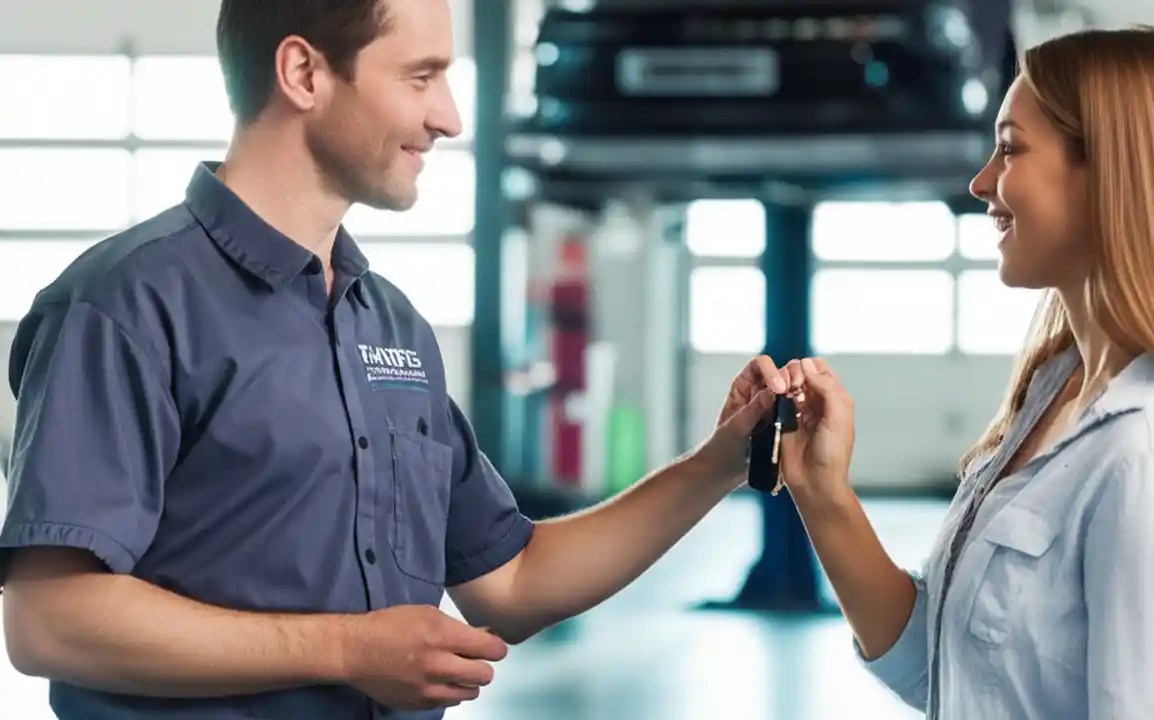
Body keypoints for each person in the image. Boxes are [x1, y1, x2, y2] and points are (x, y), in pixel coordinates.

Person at [0, 0, 792, 718]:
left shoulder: (390, 325)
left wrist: (719, 462)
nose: (448, 117)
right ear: (303, 73)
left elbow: (512, 582)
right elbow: (50, 620)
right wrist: (347, 650)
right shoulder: (125, 305)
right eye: (421, 77)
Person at [765, 26, 1154, 719]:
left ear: (1112, 174)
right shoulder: (1056, 401)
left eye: (1009, 149)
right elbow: (941, 670)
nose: (980, 182)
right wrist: (822, 493)